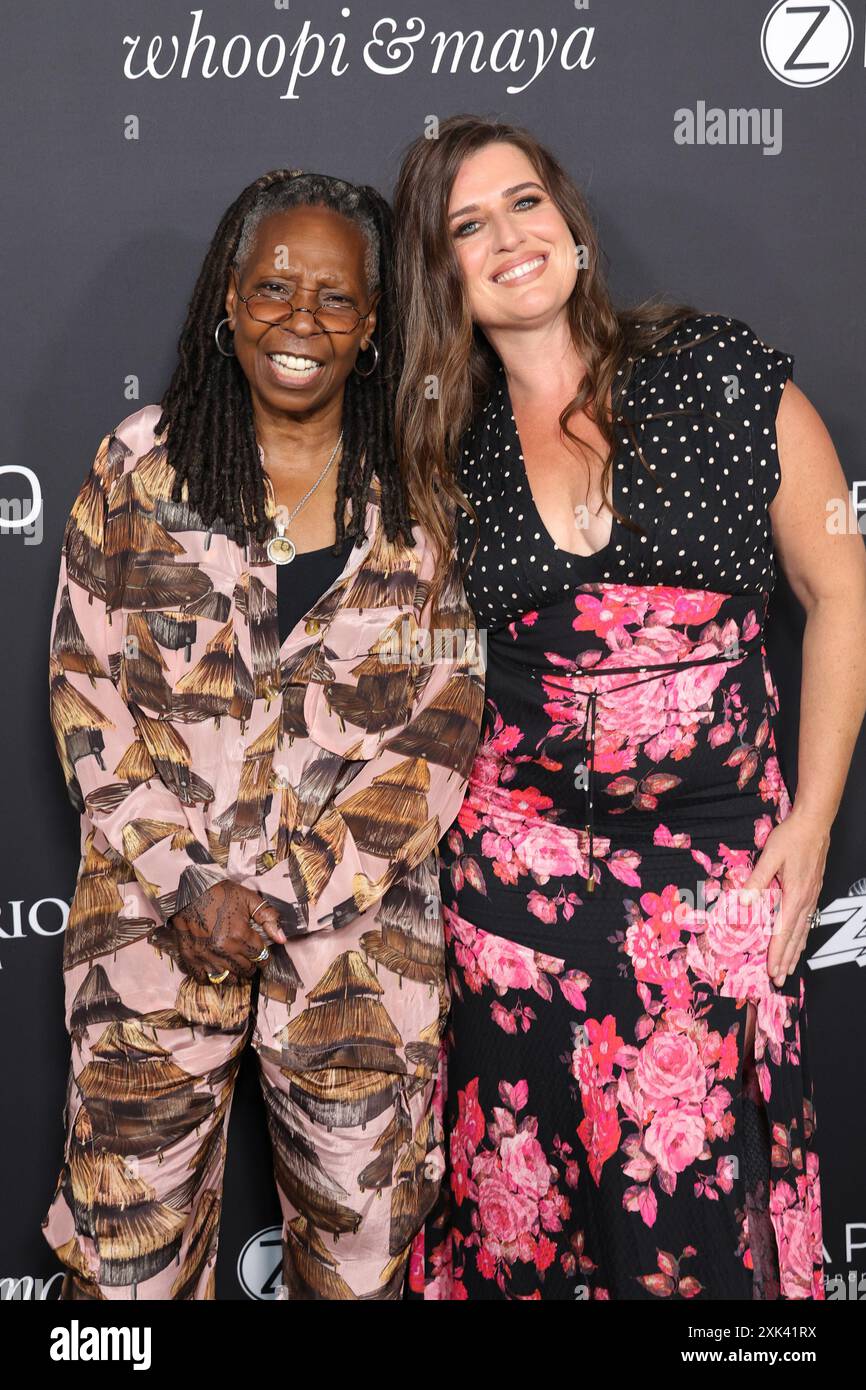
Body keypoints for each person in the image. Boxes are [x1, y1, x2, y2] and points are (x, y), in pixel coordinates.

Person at [392, 115, 866, 1300]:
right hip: (516, 903)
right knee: (526, 1218)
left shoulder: (714, 375)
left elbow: (837, 586)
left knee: (699, 1235)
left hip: (713, 886)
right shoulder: (440, 449)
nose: (505, 237)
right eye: (465, 226)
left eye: (523, 204)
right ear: (439, 275)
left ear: (570, 226)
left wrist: (808, 827)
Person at [42, 168, 483, 1300]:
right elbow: (87, 687)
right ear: (227, 301)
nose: (302, 320)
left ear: (374, 326)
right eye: (274, 287)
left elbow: (435, 733)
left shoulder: (422, 491)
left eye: (335, 298)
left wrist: (278, 897)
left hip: (356, 969)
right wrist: (186, 882)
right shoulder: (138, 465)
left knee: (364, 1270)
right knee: (121, 1280)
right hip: (150, 941)